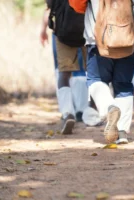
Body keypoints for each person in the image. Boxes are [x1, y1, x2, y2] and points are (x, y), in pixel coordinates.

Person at [70, 0, 134, 144]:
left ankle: (109, 108)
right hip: (131, 34)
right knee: (124, 83)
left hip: (98, 36)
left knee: (95, 80)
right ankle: (122, 132)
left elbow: (76, 5)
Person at [40, 0, 88, 134]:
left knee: (64, 73)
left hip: (63, 31)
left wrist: (43, 29)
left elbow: (49, 9)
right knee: (89, 71)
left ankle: (67, 113)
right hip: (86, 29)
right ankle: (88, 110)